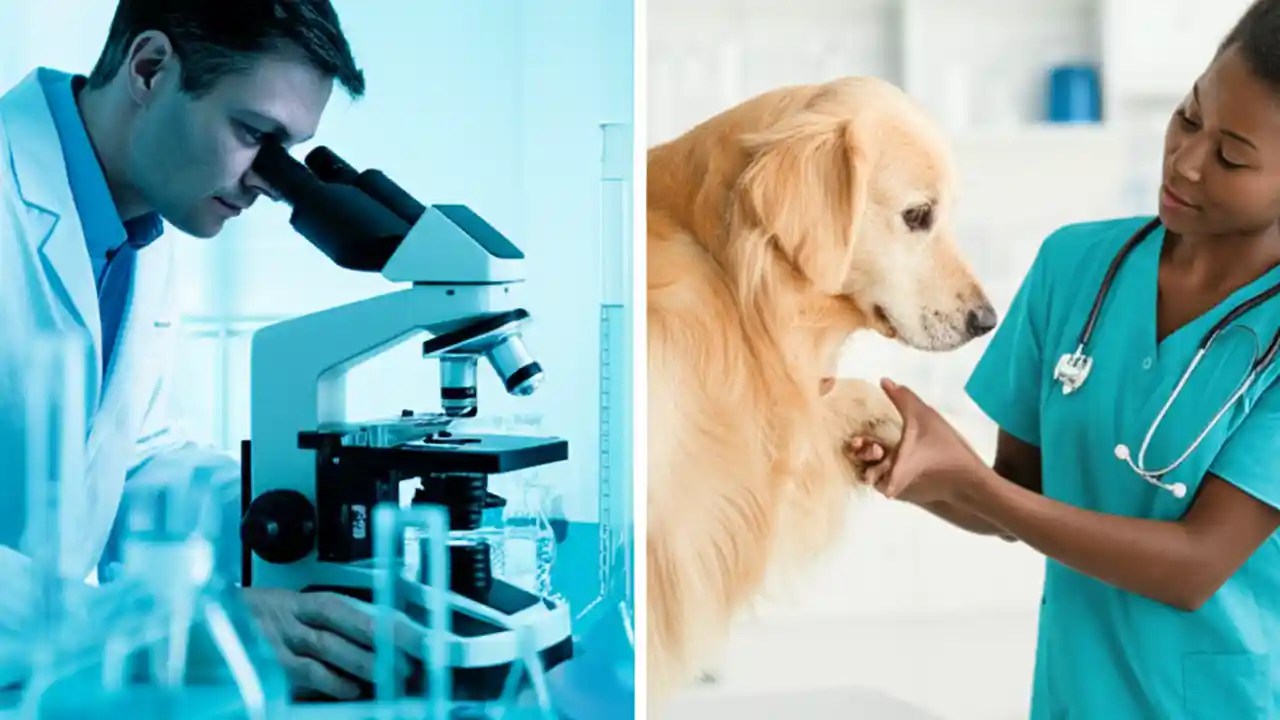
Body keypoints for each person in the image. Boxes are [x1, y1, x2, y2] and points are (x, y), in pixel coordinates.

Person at [850, 2, 1280, 717]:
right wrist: (914, 465)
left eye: (1233, 156)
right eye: (1189, 116)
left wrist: (976, 488)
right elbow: (1019, 494)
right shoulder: (1075, 266)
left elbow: (1195, 566)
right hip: (1072, 698)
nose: (1186, 161)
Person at [0, 0, 390, 701]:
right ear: (149, 69)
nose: (270, 183)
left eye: (289, 154)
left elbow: (129, 461)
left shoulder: (145, 229)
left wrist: (305, 508)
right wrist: (162, 627)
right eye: (253, 133)